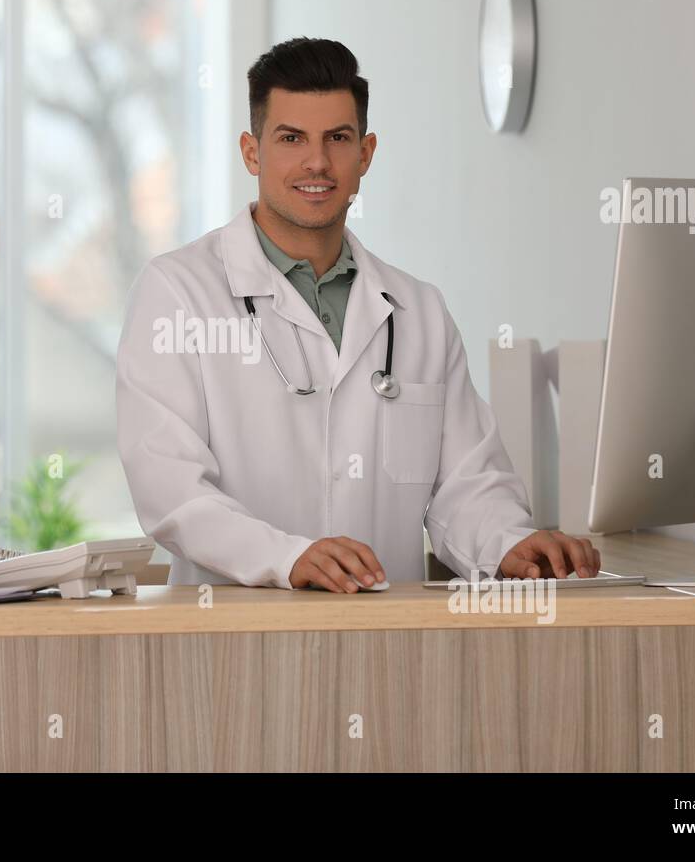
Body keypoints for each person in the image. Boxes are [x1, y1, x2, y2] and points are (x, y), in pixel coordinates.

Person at [116, 38, 601, 593]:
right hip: (235, 650)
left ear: (366, 153)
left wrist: (509, 544)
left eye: (338, 139)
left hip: (382, 650)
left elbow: (466, 485)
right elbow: (171, 491)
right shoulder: (177, 293)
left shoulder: (418, 311)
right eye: (291, 138)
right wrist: (288, 557)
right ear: (252, 152)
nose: (317, 162)